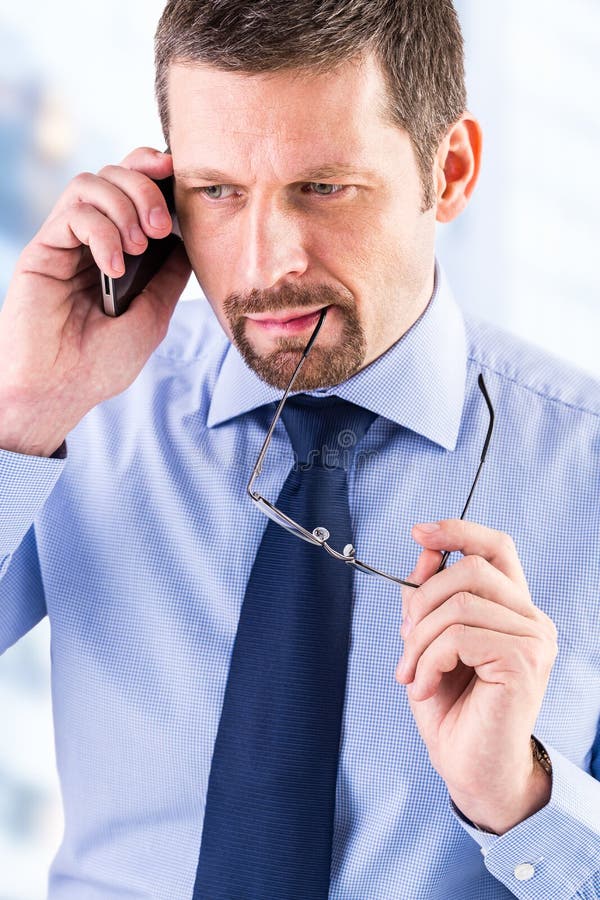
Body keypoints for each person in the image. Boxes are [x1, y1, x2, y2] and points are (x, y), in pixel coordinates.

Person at [1, 1, 599, 897]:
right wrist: (23, 413)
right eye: (218, 192)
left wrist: (521, 799)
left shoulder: (585, 468)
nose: (267, 259)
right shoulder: (81, 406)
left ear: (453, 169)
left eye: (323, 188)